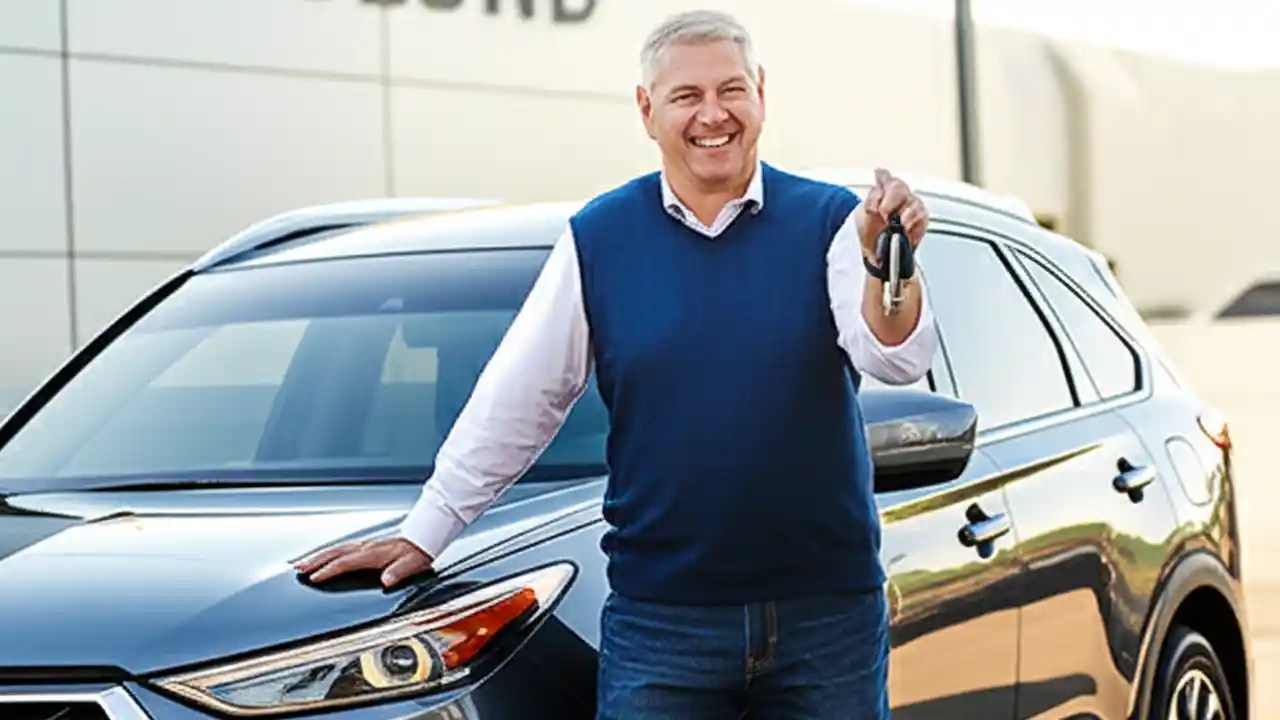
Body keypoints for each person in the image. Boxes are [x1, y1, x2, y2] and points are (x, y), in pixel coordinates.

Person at [295, 9, 937, 718]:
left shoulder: (835, 222)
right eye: (686, 97)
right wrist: (429, 528)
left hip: (827, 622)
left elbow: (895, 356)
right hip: (664, 625)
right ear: (646, 109)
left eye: (731, 90)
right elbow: (522, 397)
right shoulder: (600, 237)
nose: (713, 115)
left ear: (760, 93)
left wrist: (888, 267)